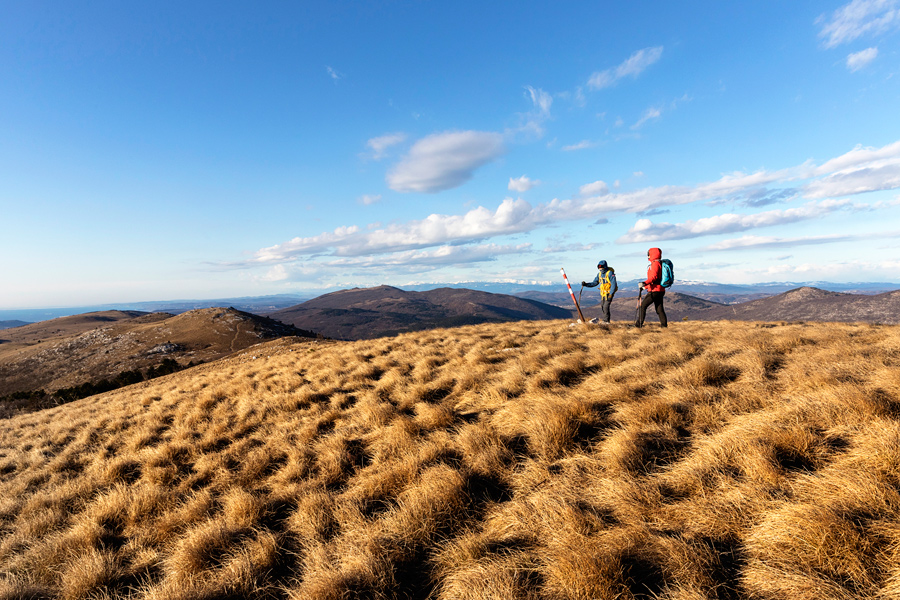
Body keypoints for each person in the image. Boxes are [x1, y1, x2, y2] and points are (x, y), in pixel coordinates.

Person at [637, 248, 668, 328]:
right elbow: (657, 280)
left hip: (655, 290)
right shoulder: (660, 263)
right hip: (660, 290)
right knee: (659, 309)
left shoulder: (655, 264)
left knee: (643, 306)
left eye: (648, 254)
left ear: (652, 255)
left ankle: (638, 325)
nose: (648, 256)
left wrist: (644, 283)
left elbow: (654, 278)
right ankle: (664, 326)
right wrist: (645, 287)